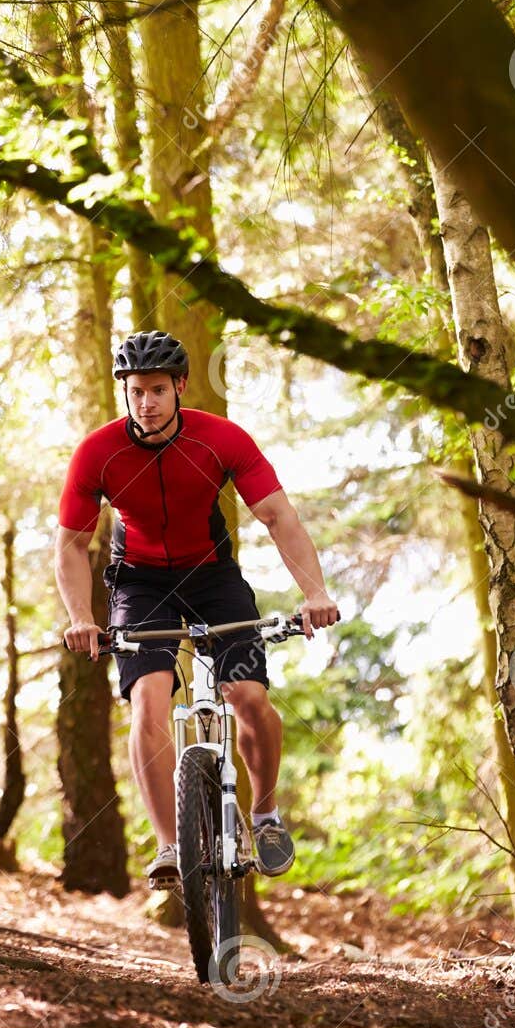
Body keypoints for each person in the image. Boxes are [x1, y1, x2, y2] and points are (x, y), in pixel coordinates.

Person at [54, 329, 341, 890]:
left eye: (158, 389)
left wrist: (314, 593)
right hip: (138, 583)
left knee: (249, 697)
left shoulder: (221, 439)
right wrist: (79, 617)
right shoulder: (98, 453)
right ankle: (169, 844)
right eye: (135, 392)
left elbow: (280, 517)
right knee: (149, 702)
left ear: (181, 386)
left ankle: (264, 815)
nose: (146, 403)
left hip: (212, 577)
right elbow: (69, 545)